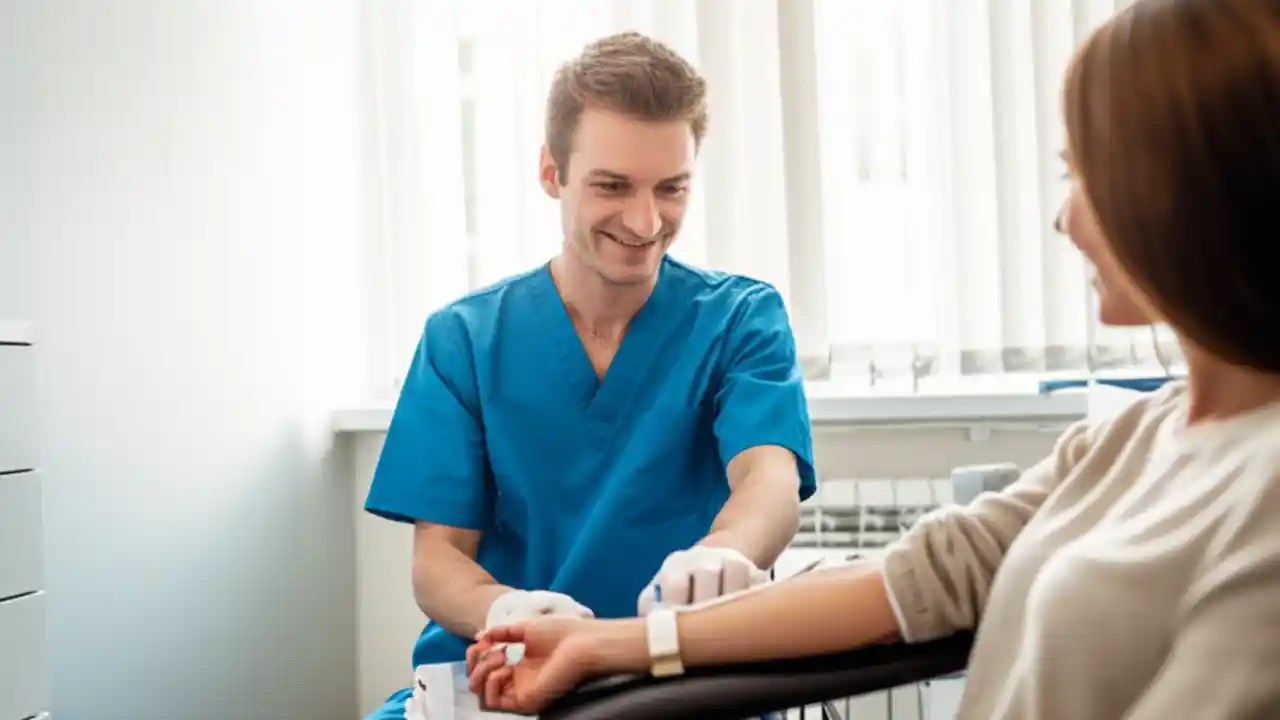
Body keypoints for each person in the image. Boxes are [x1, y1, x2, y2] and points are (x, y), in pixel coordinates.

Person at [467, 1, 1280, 717]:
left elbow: (769, 485)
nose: (1064, 219)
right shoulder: (1130, 439)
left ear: (1194, 190)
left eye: (1088, 177)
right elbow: (910, 580)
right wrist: (607, 644)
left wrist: (706, 568)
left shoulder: (1263, 486)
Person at [363, 32, 817, 719]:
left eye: (672, 188)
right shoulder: (463, 341)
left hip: (681, 675)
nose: (645, 221)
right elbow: (438, 561)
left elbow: (768, 481)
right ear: (552, 174)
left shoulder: (740, 320)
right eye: (612, 186)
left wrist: (722, 553)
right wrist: (506, 609)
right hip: (503, 675)